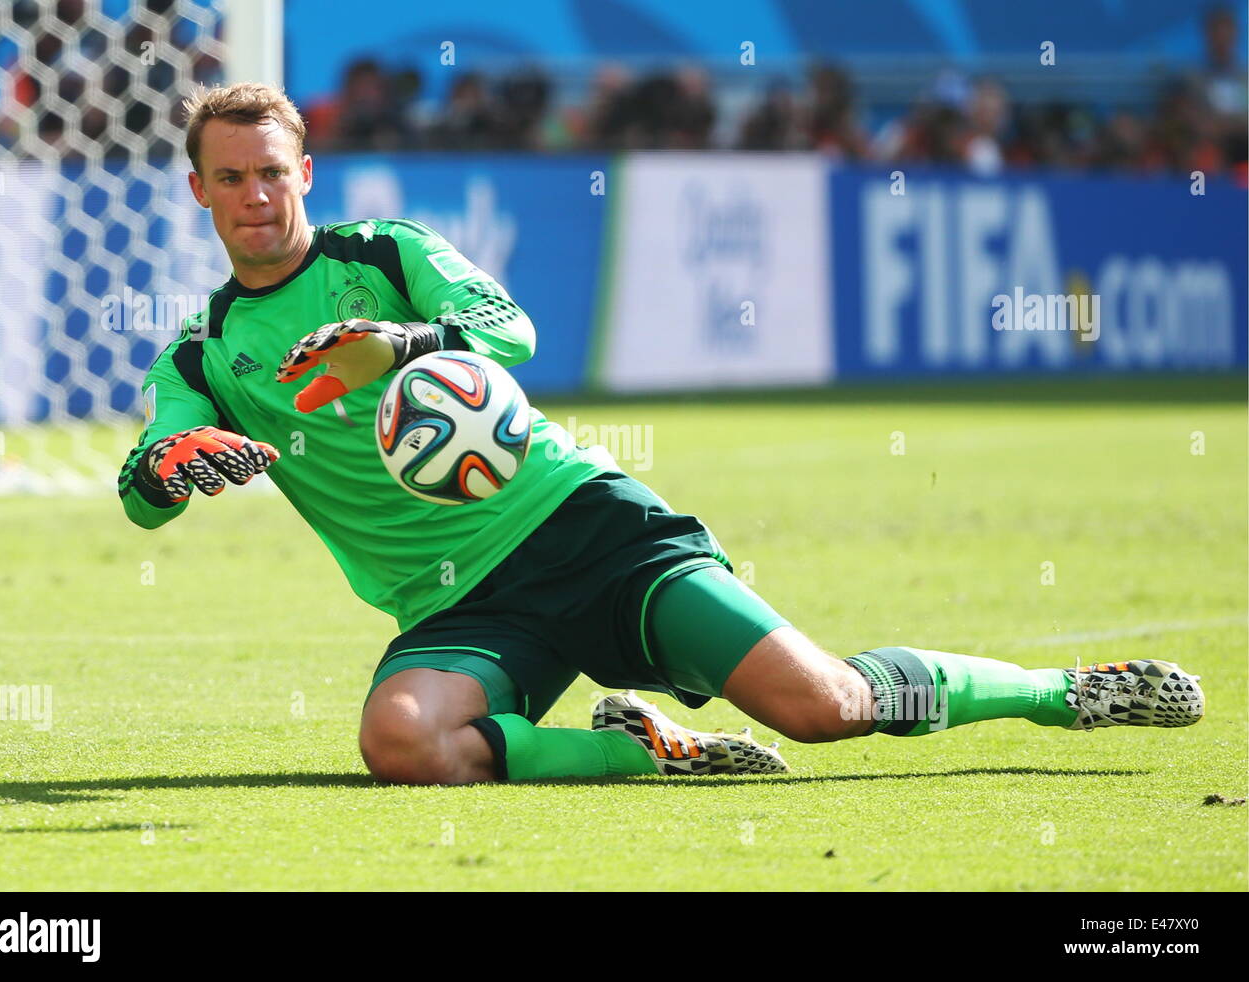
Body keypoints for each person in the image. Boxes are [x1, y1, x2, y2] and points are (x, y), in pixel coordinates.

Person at [118, 82, 1205, 785]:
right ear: (200, 191)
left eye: (273, 171)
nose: (256, 194)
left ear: (304, 172)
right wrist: (170, 467)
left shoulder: (386, 254)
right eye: (232, 178)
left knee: (822, 708)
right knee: (400, 740)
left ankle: (1060, 693)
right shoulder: (205, 356)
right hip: (458, 601)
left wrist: (400, 347)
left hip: (586, 529)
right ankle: (631, 750)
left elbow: (511, 330)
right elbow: (144, 482)